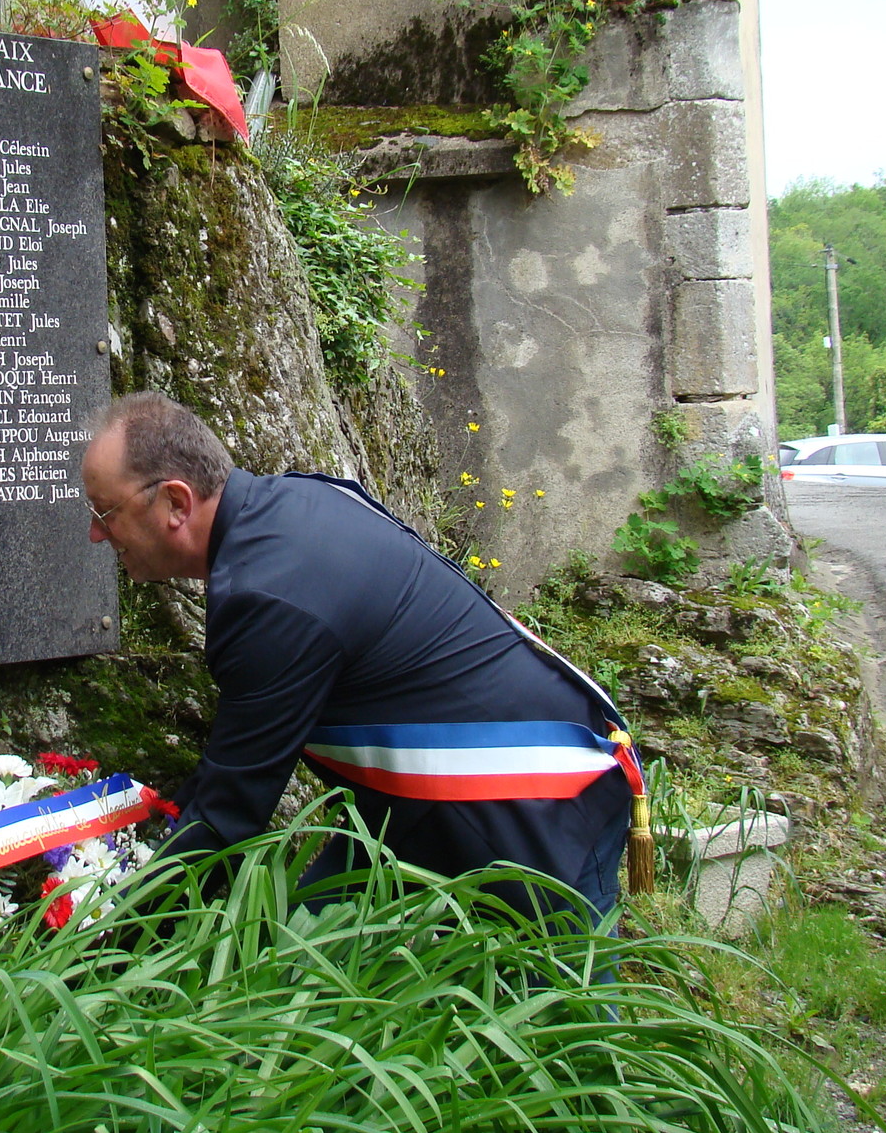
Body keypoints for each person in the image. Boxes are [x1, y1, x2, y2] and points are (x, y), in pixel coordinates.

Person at [80, 391, 638, 920]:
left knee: (558, 998)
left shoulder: (269, 597)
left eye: (106, 513)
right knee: (302, 962)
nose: (95, 534)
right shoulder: (289, 507)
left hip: (530, 801)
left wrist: (101, 944)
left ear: (176, 501)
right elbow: (228, 768)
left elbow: (229, 814)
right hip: (414, 805)